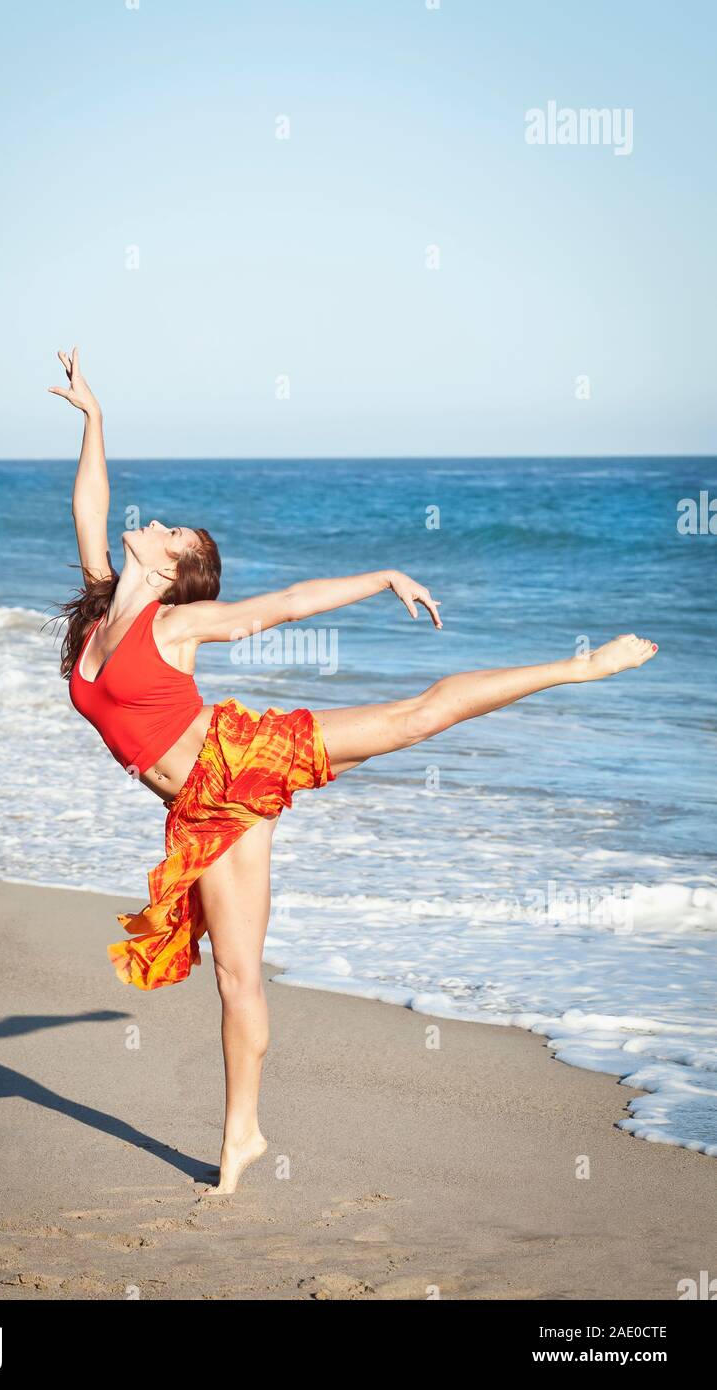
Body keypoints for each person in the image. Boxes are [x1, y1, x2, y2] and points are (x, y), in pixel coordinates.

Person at [50, 347, 658, 1194]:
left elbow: (286, 604)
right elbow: (90, 503)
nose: (154, 525)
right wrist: (95, 418)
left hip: (239, 763)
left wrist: (380, 577)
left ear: (171, 571)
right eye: (164, 525)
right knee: (235, 978)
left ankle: (576, 668)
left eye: (170, 533)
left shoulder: (177, 627)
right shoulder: (99, 606)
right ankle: (245, 1137)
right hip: (200, 814)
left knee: (412, 717)